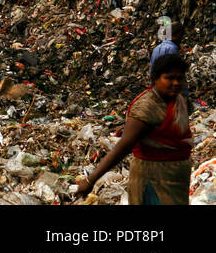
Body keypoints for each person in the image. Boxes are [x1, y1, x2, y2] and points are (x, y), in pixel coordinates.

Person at [76, 54, 192, 205]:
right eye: (169, 78)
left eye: (180, 78)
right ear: (156, 78)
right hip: (154, 178)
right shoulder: (146, 107)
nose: (176, 83)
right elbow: (124, 146)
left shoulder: (178, 100)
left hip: (176, 179)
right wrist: (90, 180)